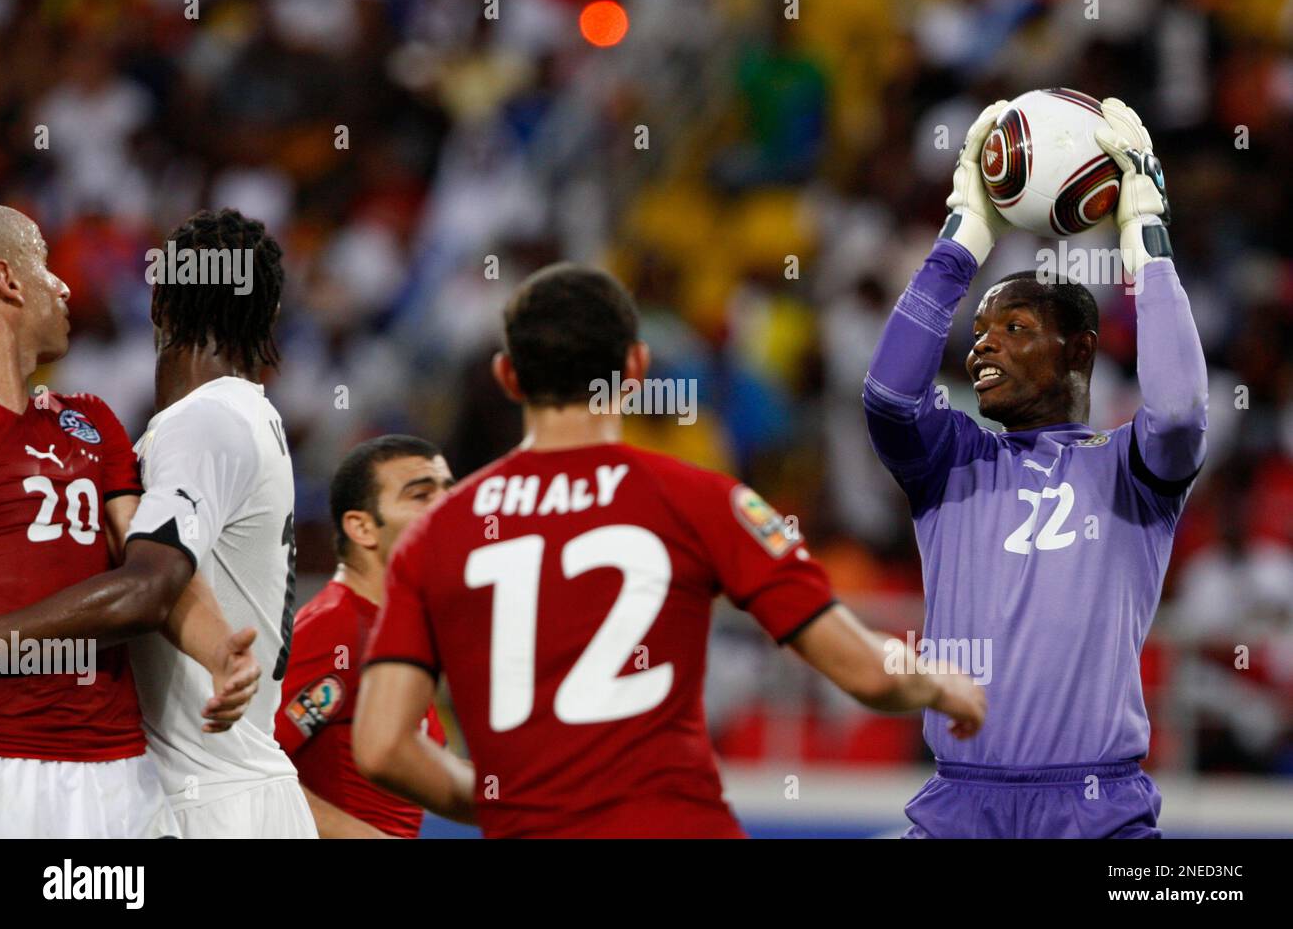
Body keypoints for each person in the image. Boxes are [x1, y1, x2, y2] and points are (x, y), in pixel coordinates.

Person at [352, 262, 986, 838]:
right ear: (635, 368)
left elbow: (381, 745)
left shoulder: (437, 531)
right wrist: (939, 683)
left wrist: (503, 801)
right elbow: (868, 672)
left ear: (508, 375)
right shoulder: (701, 500)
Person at [863, 98, 1207, 837]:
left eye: (1014, 328)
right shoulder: (950, 457)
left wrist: (1144, 237)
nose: (982, 346)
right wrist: (965, 234)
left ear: (1079, 349)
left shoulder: (1134, 469)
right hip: (957, 805)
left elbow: (1178, 411)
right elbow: (890, 395)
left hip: (1098, 811)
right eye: (979, 331)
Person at [0, 207, 314, 837]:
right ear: (268, 315)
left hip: (213, 800)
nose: (63, 285)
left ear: (159, 304)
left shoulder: (200, 424)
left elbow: (150, 587)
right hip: (207, 786)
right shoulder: (233, 420)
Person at [277, 434, 473, 837]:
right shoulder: (336, 629)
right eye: (421, 495)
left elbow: (438, 785)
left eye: (450, 492)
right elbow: (246, 775)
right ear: (363, 527)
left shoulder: (394, 636)